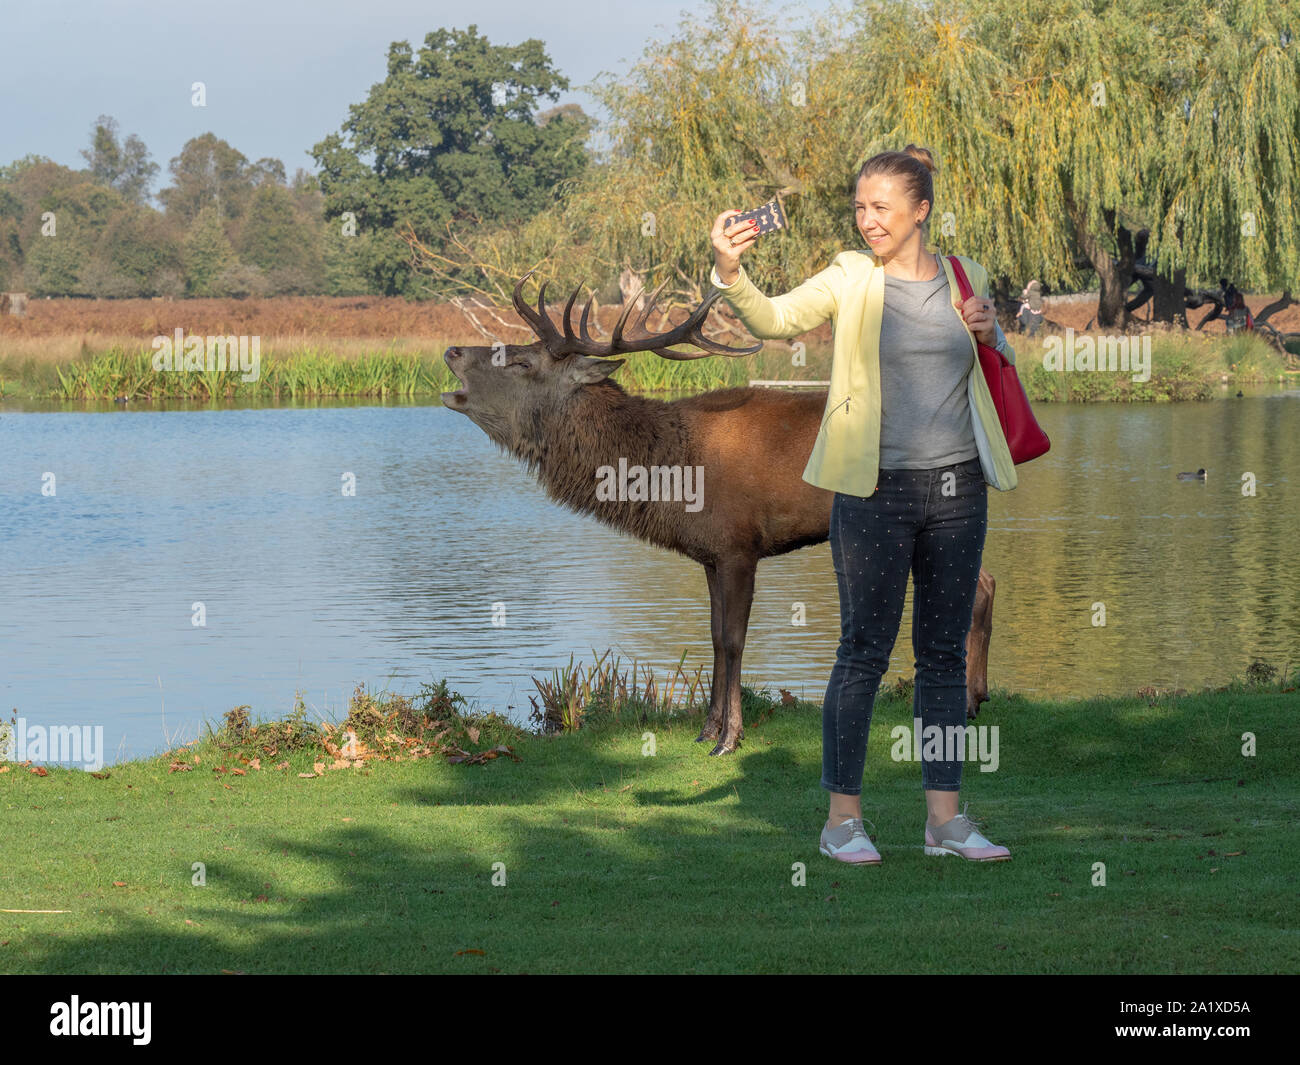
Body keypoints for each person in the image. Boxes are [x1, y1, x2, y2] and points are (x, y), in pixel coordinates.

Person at [708, 145, 1015, 865]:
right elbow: (776, 320)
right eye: (859, 207)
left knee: (942, 657)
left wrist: (992, 331)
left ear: (921, 210)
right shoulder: (850, 275)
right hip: (874, 494)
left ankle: (945, 820)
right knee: (862, 655)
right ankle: (842, 820)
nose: (867, 219)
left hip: (958, 490)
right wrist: (730, 272)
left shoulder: (963, 276)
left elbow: (995, 360)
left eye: (881, 207)